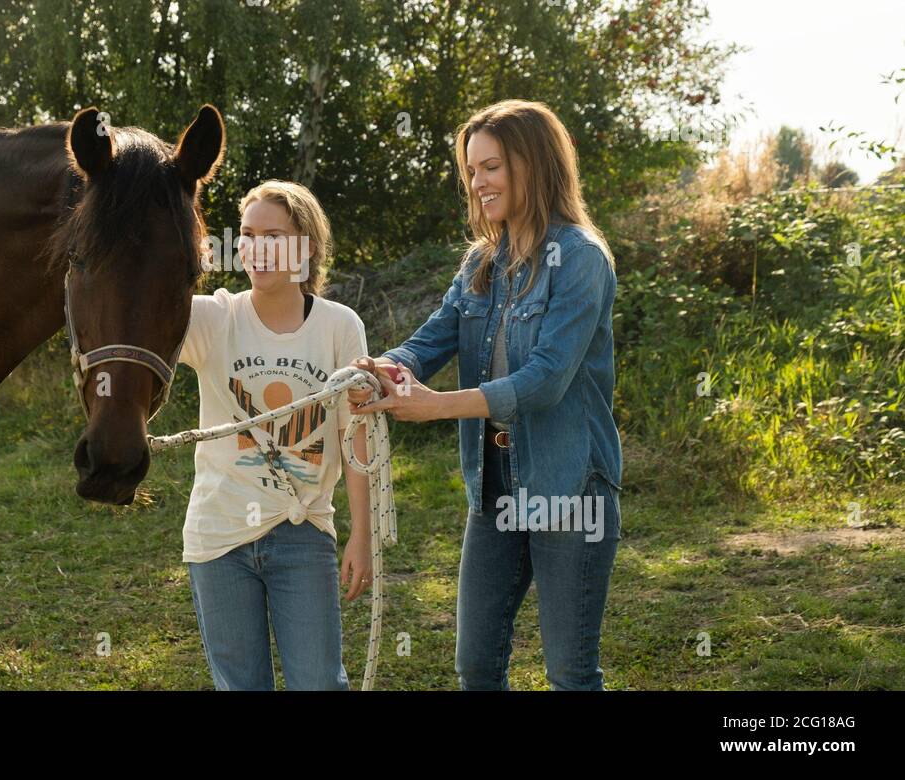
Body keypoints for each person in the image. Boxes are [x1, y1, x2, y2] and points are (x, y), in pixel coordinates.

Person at [351, 99, 623, 690]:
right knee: (476, 665)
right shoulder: (483, 260)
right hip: (495, 484)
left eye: (492, 167)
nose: (478, 184)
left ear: (535, 165)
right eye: (472, 171)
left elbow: (547, 378)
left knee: (570, 673)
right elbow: (432, 337)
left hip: (570, 487)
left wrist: (437, 405)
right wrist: (381, 368)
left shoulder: (580, 259)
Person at [179, 180, 372, 690]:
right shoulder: (211, 318)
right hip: (219, 536)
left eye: (273, 235)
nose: (256, 247)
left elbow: (355, 440)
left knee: (319, 683)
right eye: (246, 234)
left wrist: (363, 536)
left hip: (303, 534)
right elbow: (133, 313)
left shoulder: (338, 327)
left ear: (305, 247)